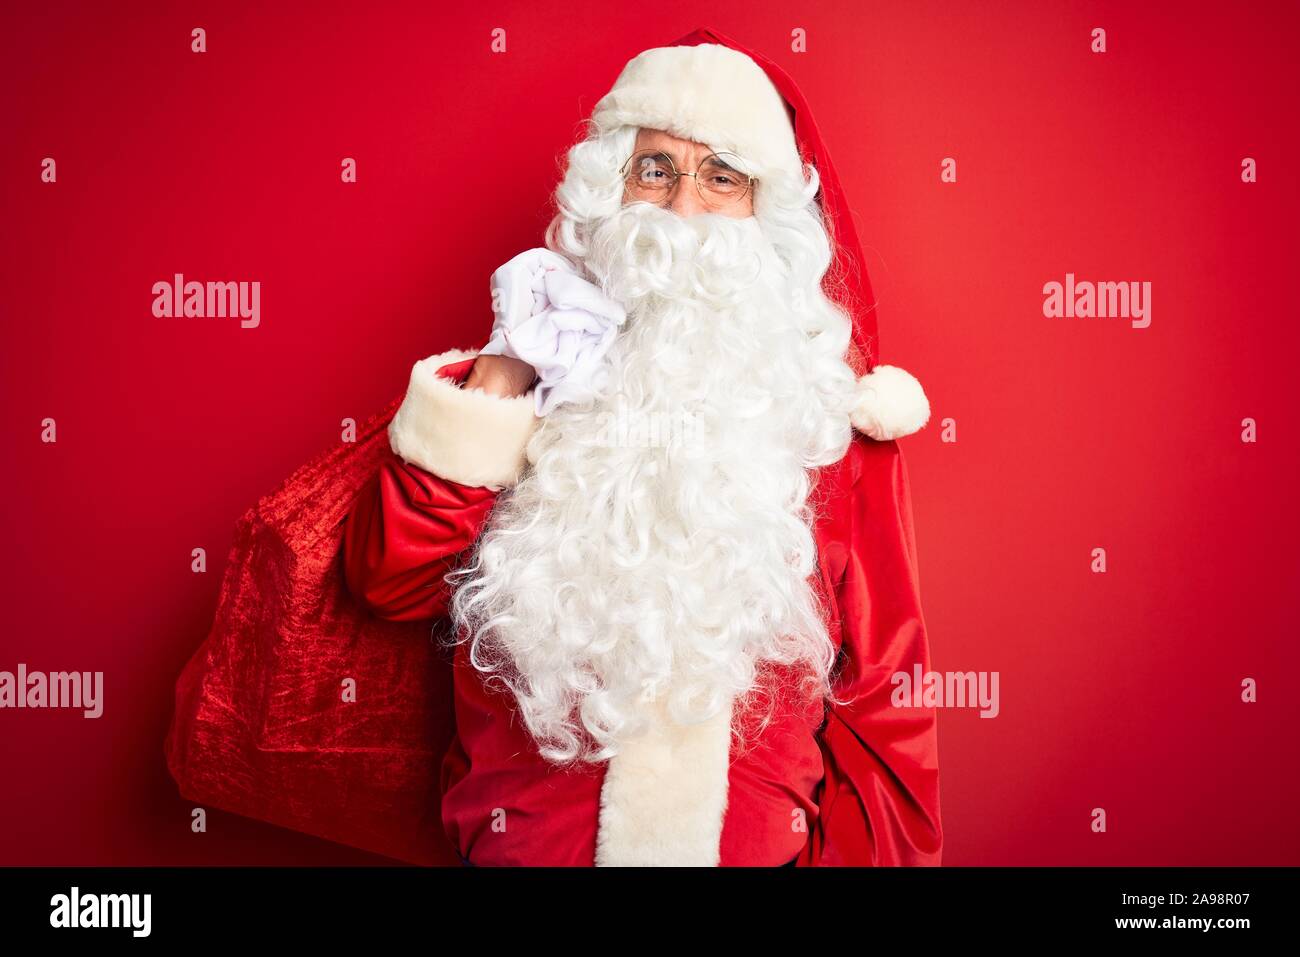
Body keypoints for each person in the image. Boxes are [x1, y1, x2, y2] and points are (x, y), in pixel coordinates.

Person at [341, 29, 942, 867]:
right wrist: (505, 376)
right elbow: (384, 581)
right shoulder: (529, 372)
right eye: (654, 169)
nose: (682, 207)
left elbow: (886, 705)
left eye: (722, 176)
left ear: (768, 215)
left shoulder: (832, 424)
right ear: (608, 190)